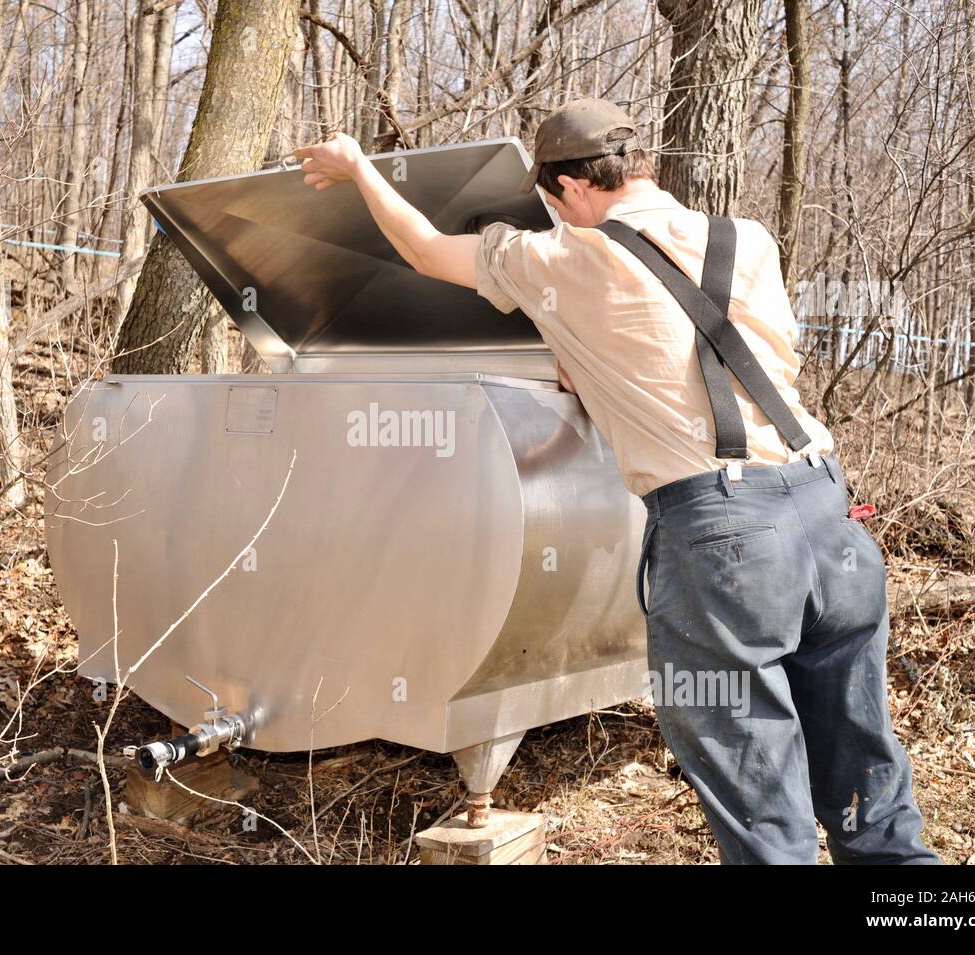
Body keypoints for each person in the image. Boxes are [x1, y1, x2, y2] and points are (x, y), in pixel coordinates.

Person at [295, 98, 942, 865]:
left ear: (567, 190)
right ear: (640, 167)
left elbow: (430, 251)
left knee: (761, 798)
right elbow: (751, 364)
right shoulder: (751, 241)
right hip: (829, 514)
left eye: (548, 201)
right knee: (866, 774)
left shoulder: (566, 258)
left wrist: (359, 168)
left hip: (726, 544)